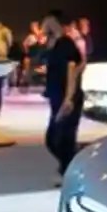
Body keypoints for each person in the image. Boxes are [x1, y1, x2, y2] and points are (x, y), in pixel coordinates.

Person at [42, 9, 84, 183]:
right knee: (55, 138)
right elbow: (80, 64)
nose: (43, 25)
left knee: (60, 138)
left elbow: (72, 68)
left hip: (66, 97)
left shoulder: (65, 43)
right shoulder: (55, 45)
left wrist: (69, 96)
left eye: (47, 21)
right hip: (57, 96)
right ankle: (70, 168)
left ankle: (70, 171)